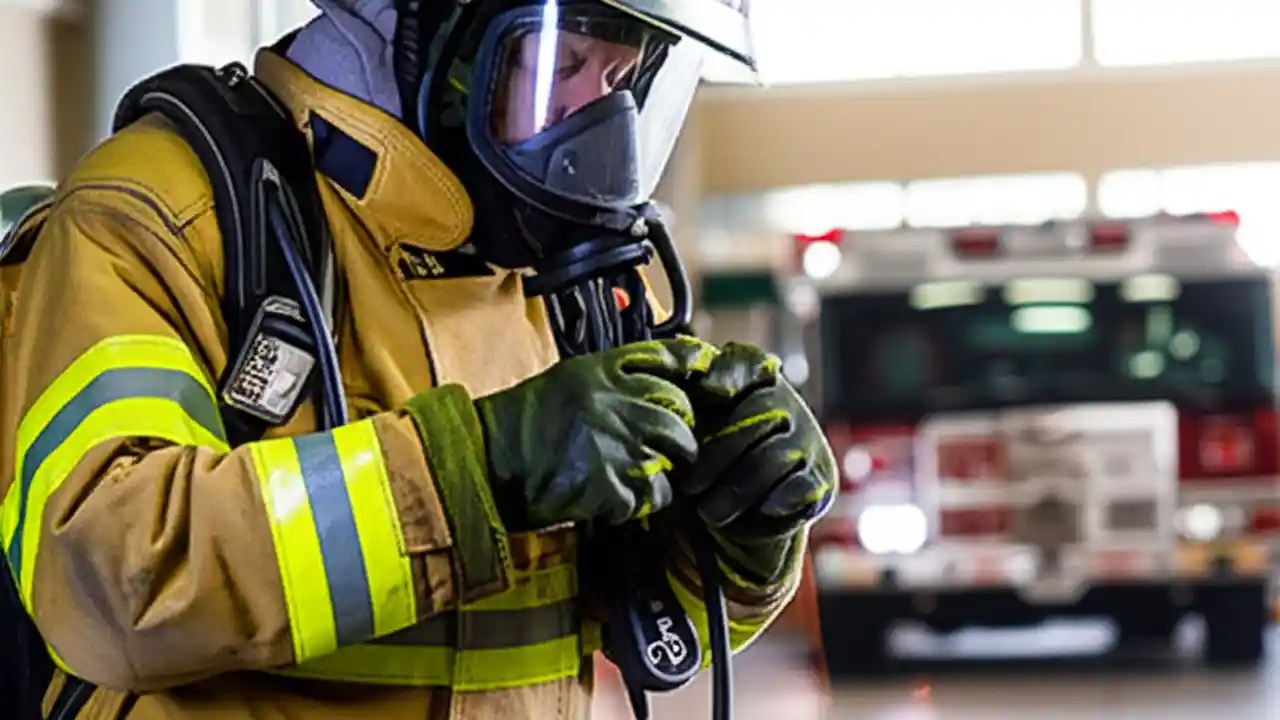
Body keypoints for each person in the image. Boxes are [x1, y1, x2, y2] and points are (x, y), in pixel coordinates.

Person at [0, 1, 837, 718]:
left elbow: (641, 627)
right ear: (431, 37)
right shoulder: (163, 218)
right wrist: (477, 469)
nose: (599, 125)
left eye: (624, 77)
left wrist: (738, 520)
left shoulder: (563, 279)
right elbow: (111, 585)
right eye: (565, 61)